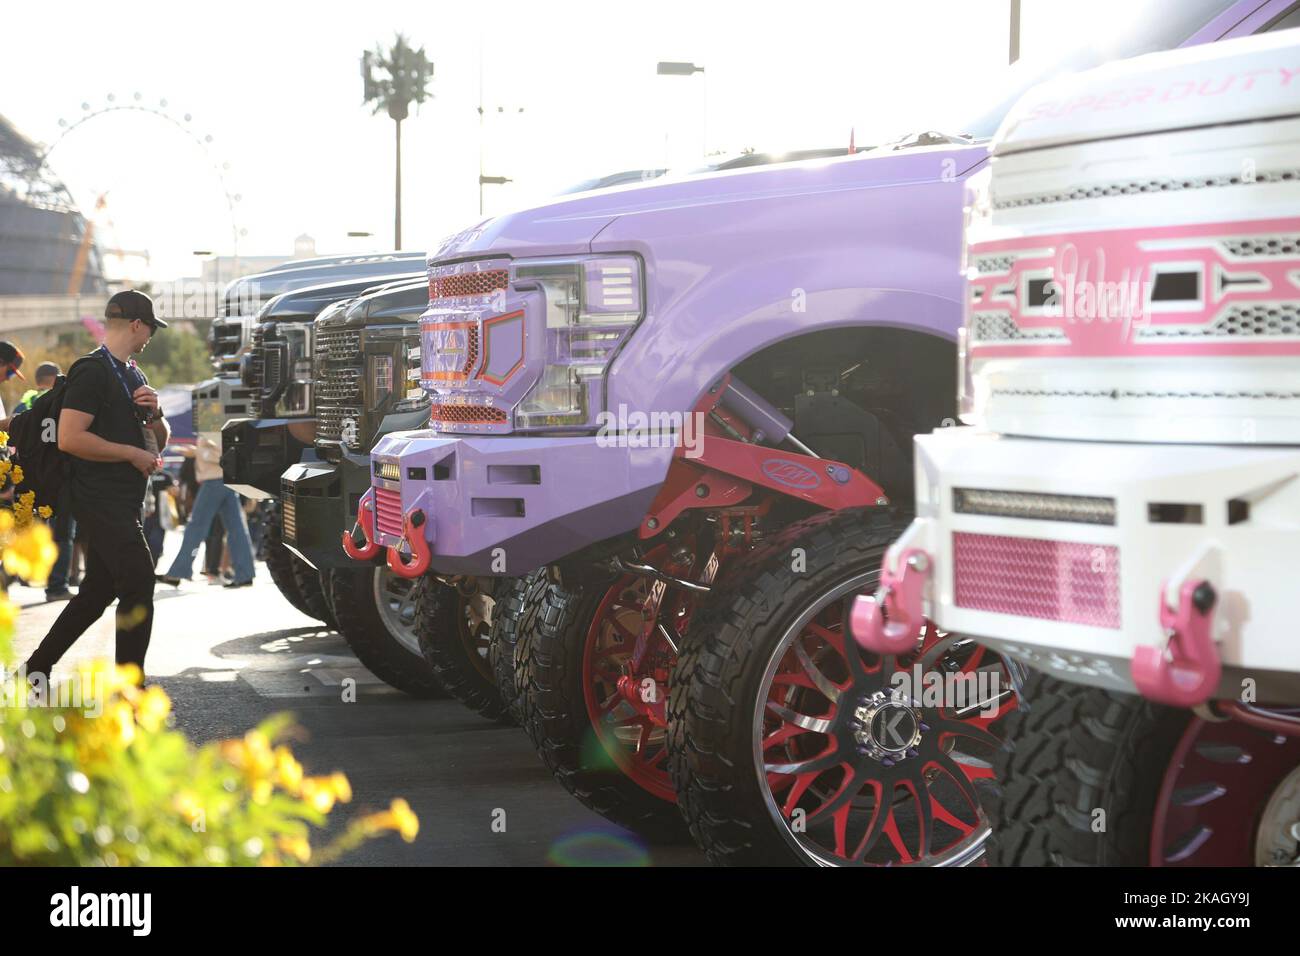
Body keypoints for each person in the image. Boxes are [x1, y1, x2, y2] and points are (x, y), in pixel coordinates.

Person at [23, 291, 169, 683]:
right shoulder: (92, 370)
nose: (150, 337)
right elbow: (71, 437)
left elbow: (160, 440)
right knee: (139, 582)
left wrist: (155, 414)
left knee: (98, 591)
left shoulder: (133, 373)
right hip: (97, 497)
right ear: (137, 324)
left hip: (125, 498)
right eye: (150, 329)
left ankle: (34, 669)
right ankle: (130, 688)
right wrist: (129, 454)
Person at [12, 362, 78, 602]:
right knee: (62, 534)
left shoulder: (26, 402)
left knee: (26, 528)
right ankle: (57, 586)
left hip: (29, 476)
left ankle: (17, 575)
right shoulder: (68, 402)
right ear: (56, 378)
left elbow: (12, 437)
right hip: (59, 475)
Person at [156, 434, 255, 588]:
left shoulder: (212, 428)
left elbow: (224, 456)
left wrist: (196, 453)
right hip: (223, 481)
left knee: (196, 527)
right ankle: (245, 574)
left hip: (214, 481)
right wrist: (197, 451)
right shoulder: (214, 427)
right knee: (237, 529)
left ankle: (178, 572)